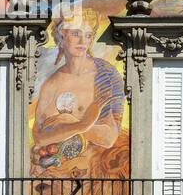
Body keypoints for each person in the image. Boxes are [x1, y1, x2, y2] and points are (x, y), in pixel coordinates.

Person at [31, 10, 124, 178]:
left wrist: (68, 122)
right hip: (53, 176)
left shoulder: (105, 76)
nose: (83, 41)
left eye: (88, 35)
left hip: (92, 177)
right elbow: (39, 139)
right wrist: (81, 125)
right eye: (76, 34)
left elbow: (110, 138)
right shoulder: (50, 84)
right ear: (61, 37)